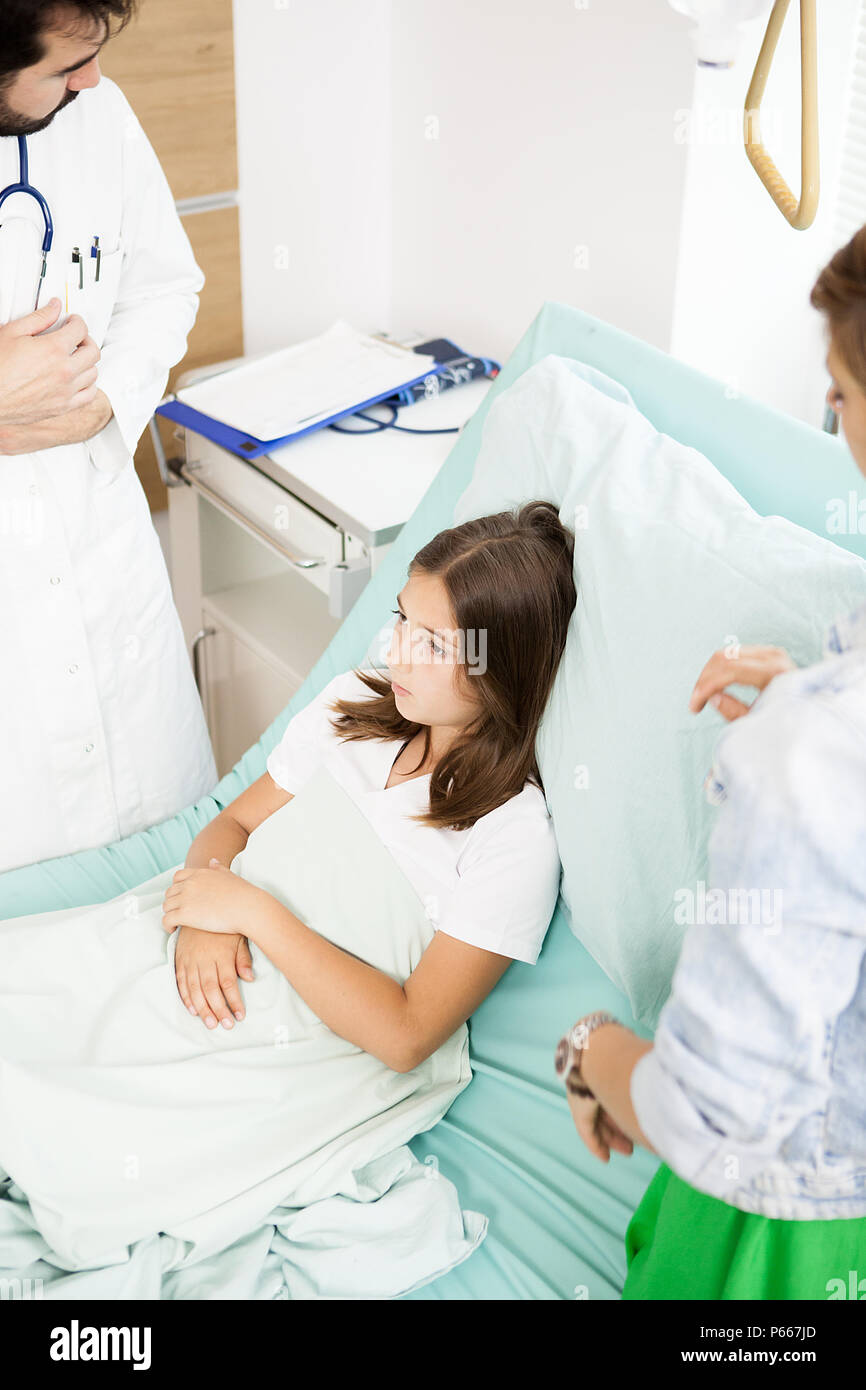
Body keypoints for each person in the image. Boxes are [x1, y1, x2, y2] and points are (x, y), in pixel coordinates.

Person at [0, 503, 573, 1281]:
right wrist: (208, 910)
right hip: (202, 936)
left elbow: (408, 1035)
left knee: (83, 1133)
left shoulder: (513, 835)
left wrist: (250, 914)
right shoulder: (354, 706)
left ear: (501, 665)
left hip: (306, 1036)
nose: (399, 652)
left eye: (434, 644)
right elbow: (229, 826)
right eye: (403, 620)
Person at [558, 224, 866, 1300]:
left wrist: (587, 1048)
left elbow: (708, 1119)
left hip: (803, 1238)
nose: (831, 424)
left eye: (837, 394)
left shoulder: (810, 757)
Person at [0, 0, 216, 873]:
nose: (91, 81)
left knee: (171, 880)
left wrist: (106, 408)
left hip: (104, 552)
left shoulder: (103, 112)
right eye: (62, 68)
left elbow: (167, 287)